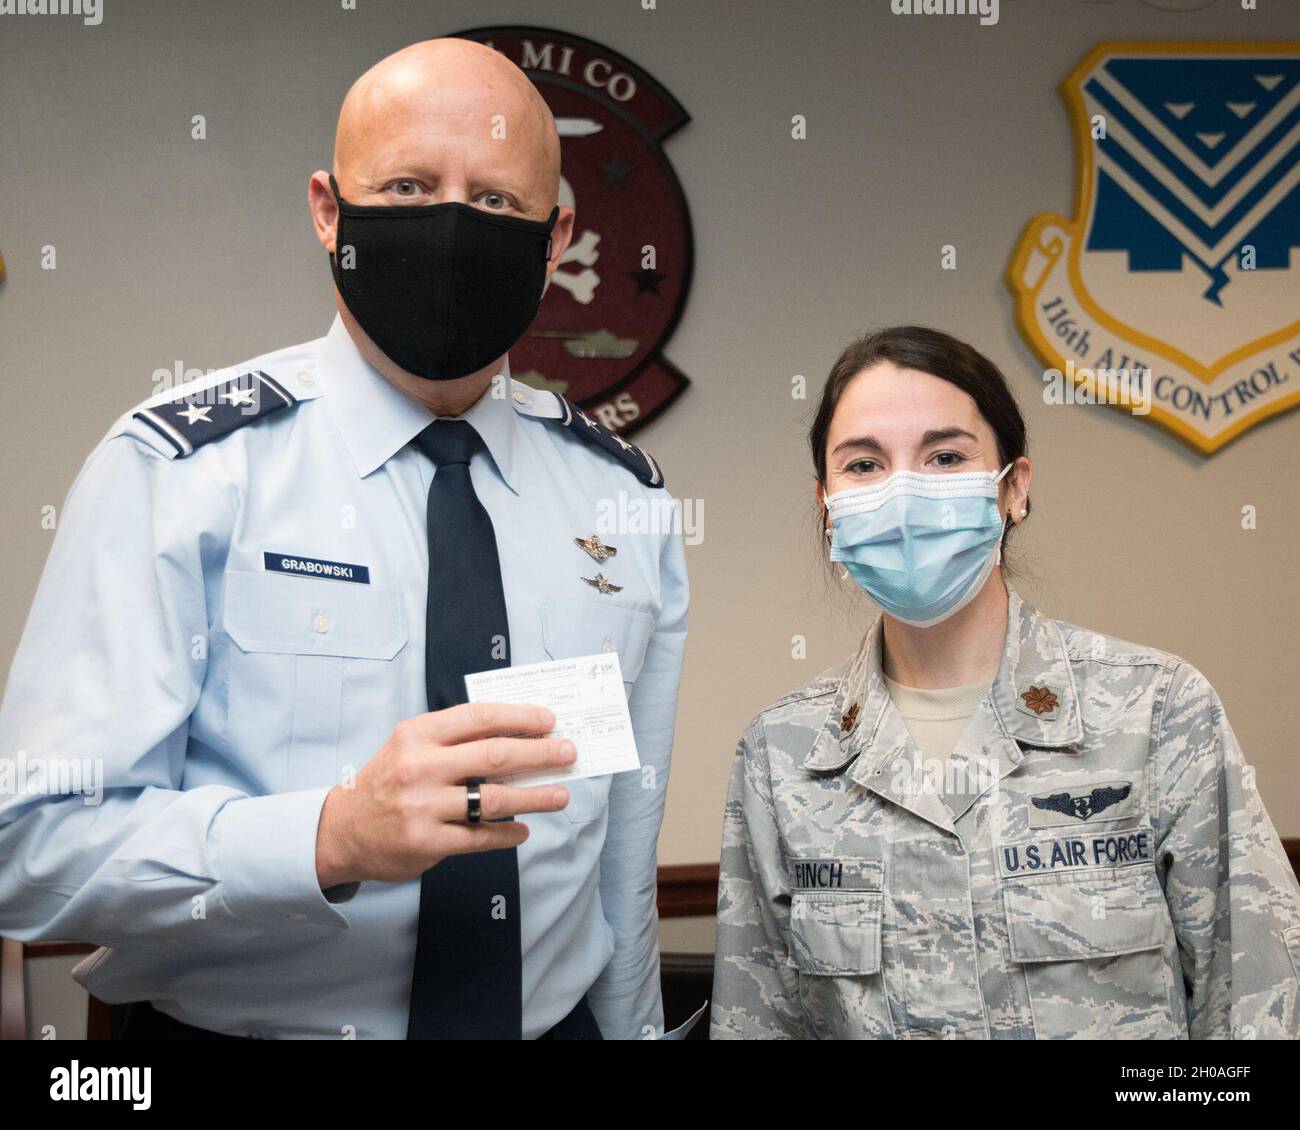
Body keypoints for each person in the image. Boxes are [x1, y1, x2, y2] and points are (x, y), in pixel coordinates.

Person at [0, 38, 690, 1041]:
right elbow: (29, 846)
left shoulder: (619, 500)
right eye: (407, 187)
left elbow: (619, 850)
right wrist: (328, 833)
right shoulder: (185, 470)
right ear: (330, 213)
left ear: (556, 238)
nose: (452, 226)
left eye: (497, 202)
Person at [710, 325, 1300, 1040]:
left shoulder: (1156, 712)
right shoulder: (784, 755)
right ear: (827, 507)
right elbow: (758, 1021)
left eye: (946, 456)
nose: (903, 492)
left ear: (1013, 488)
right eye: (864, 465)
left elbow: (1257, 1007)